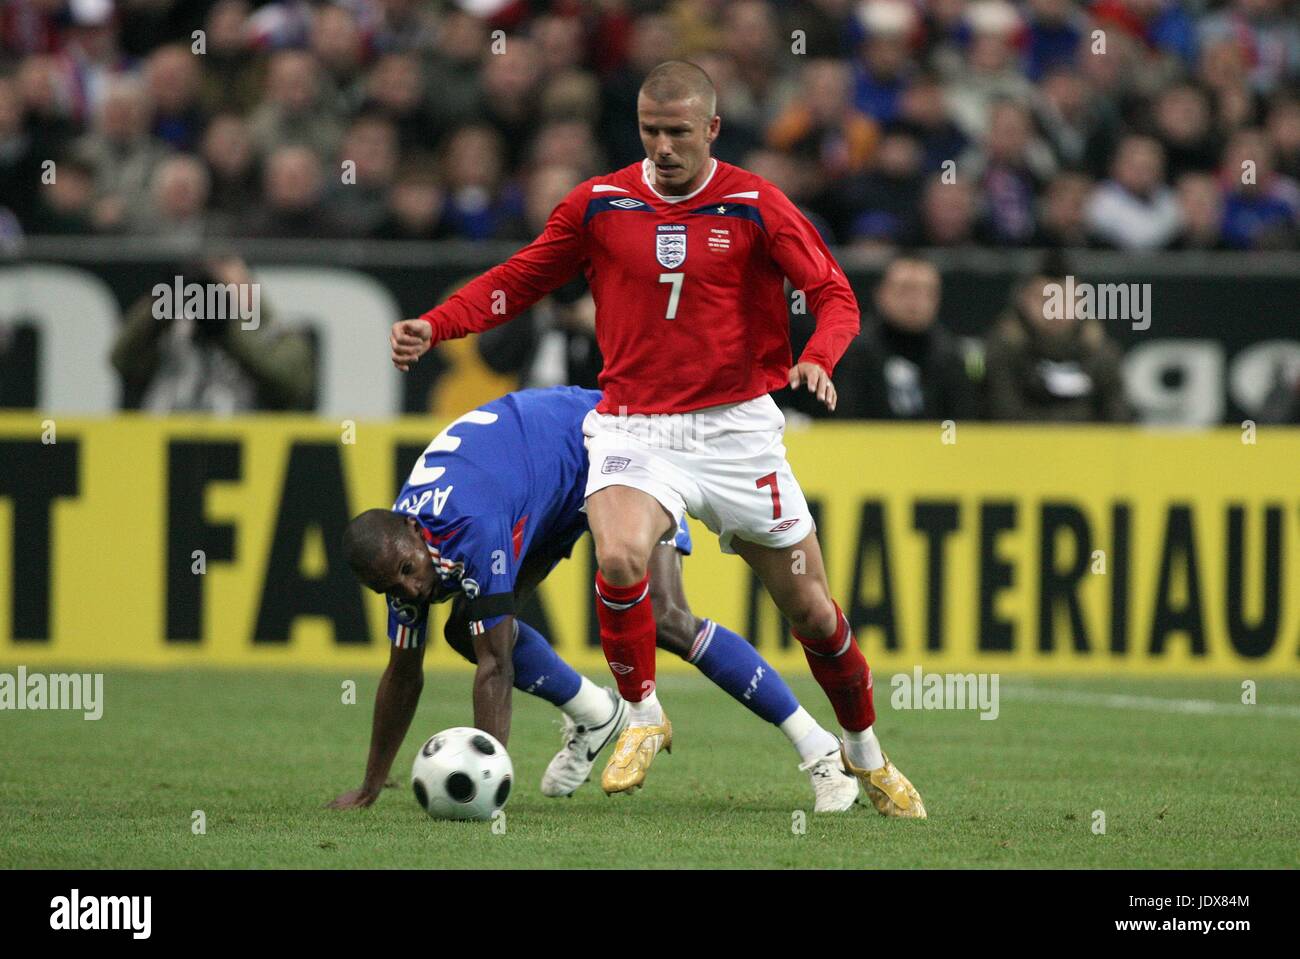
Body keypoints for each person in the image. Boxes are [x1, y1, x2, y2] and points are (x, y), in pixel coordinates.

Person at [389, 62, 925, 818]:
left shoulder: (754, 204)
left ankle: (866, 752)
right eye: (651, 131)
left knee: (813, 611)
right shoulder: (600, 203)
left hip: (738, 428)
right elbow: (522, 277)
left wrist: (817, 357)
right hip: (634, 423)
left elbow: (835, 293)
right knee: (618, 554)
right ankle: (640, 712)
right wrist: (438, 323)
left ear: (711, 129)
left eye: (679, 132)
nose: (664, 146)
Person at [329, 386, 859, 812]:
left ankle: (820, 752)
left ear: (414, 532)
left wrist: (488, 788)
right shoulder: (398, 553)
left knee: (667, 618)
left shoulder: (470, 526)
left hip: (616, 444)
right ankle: (595, 714)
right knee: (461, 625)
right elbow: (403, 671)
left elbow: (496, 666)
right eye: (390, 589)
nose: (411, 590)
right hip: (548, 483)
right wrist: (372, 784)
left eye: (407, 573)